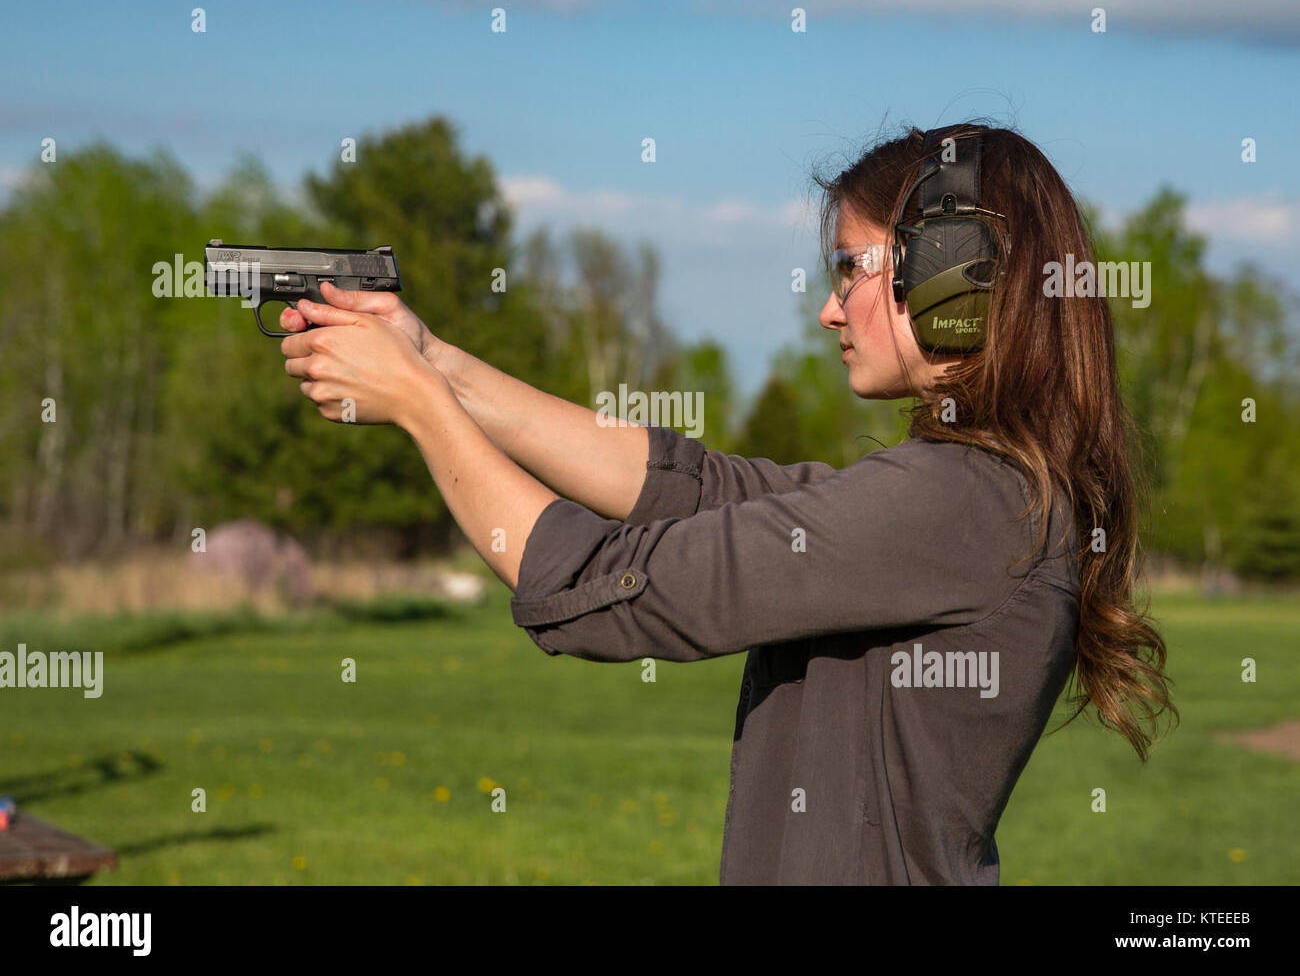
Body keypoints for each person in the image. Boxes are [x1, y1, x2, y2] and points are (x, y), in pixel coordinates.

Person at [277, 122, 1176, 885]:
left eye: (849, 270)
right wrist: (433, 360)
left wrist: (419, 412)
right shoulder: (983, 495)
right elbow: (695, 489)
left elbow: (596, 591)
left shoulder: (955, 501)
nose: (830, 310)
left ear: (948, 274)